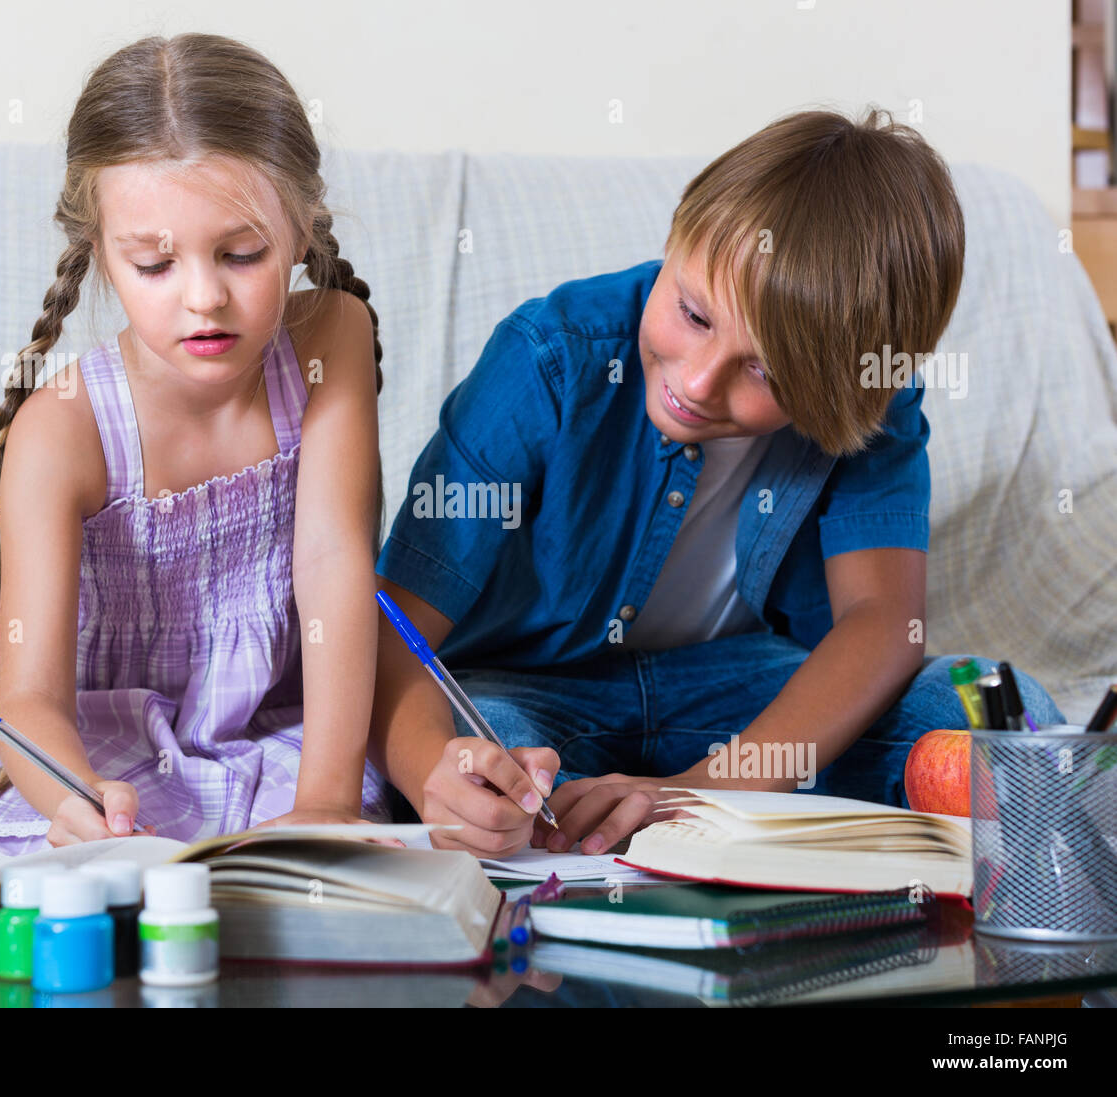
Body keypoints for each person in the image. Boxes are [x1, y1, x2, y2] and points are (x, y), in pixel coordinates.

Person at [368, 107, 1066, 860]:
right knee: (491, 761)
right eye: (693, 313)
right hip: (530, 689)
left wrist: (704, 788)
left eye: (765, 370)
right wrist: (435, 775)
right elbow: (393, 638)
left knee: (993, 707)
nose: (697, 382)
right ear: (675, 238)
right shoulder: (551, 359)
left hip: (743, 697)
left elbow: (882, 621)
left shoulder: (874, 394)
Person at [0, 34, 389, 867]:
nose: (204, 297)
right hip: (100, 747)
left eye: (243, 253)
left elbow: (334, 560)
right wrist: (78, 801)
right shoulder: (66, 428)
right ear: (103, 256)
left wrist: (325, 800)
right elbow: (31, 700)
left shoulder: (334, 337)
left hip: (285, 737)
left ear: (300, 230)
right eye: (154, 263)